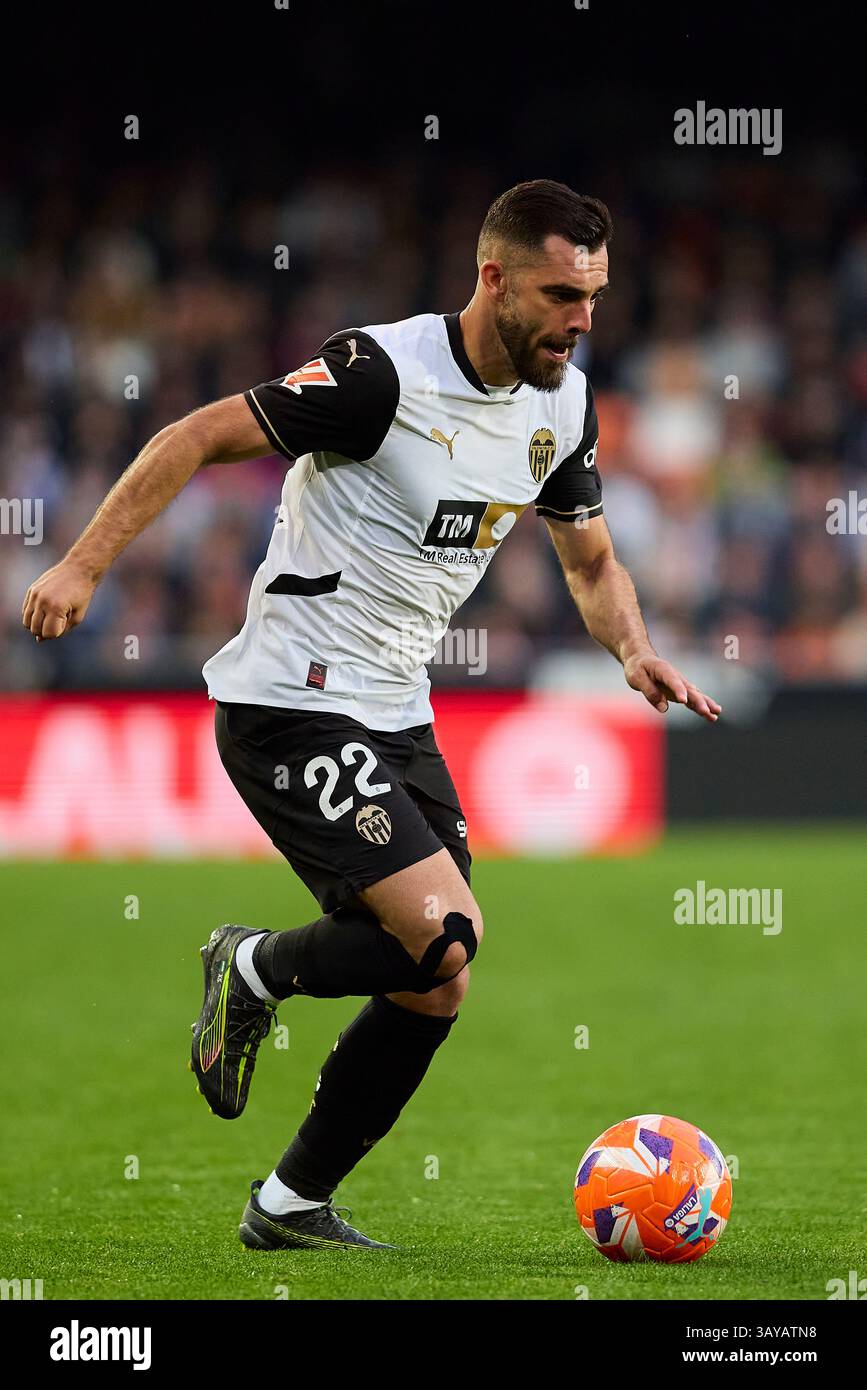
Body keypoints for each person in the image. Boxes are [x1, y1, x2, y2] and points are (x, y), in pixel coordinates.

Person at [22, 179, 721, 1251]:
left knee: (437, 981)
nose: (581, 319)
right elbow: (197, 434)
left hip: (396, 712)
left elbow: (590, 561)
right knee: (445, 934)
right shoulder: (379, 373)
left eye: (593, 296)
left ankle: (289, 1203)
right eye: (559, 295)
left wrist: (632, 646)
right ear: (494, 279)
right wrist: (82, 564)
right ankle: (252, 966)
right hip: (288, 702)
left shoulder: (564, 407)